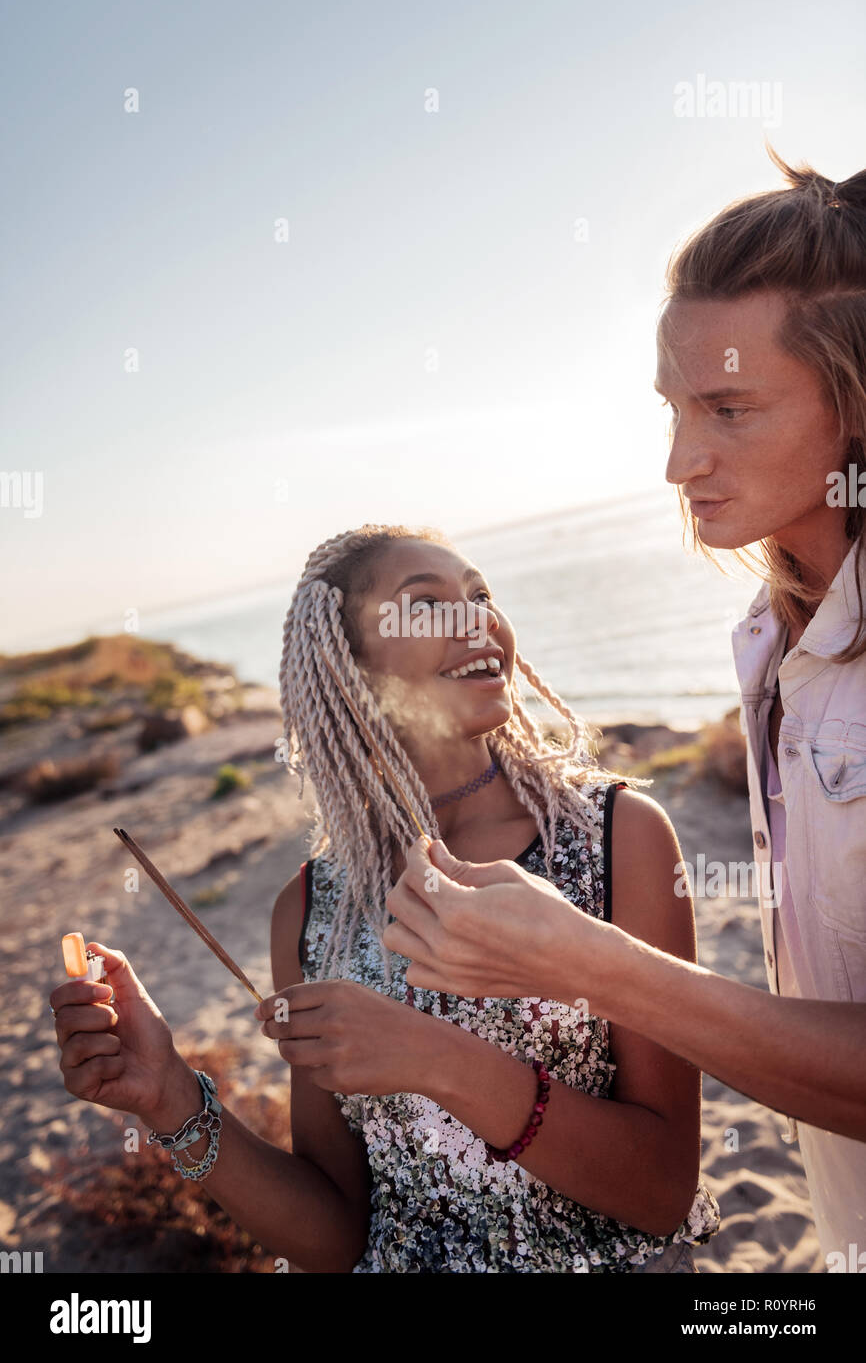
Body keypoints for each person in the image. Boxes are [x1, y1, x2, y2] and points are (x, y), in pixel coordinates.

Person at [383, 151, 866, 1271]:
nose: (675, 460)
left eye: (728, 410)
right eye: (672, 406)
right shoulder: (771, 635)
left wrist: (588, 960)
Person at [50, 525, 721, 1273]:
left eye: (480, 595)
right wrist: (170, 1097)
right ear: (353, 673)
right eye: (426, 605)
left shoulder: (615, 838)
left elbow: (661, 1191)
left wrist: (434, 1058)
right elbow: (339, 1236)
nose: (476, 620)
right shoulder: (310, 914)